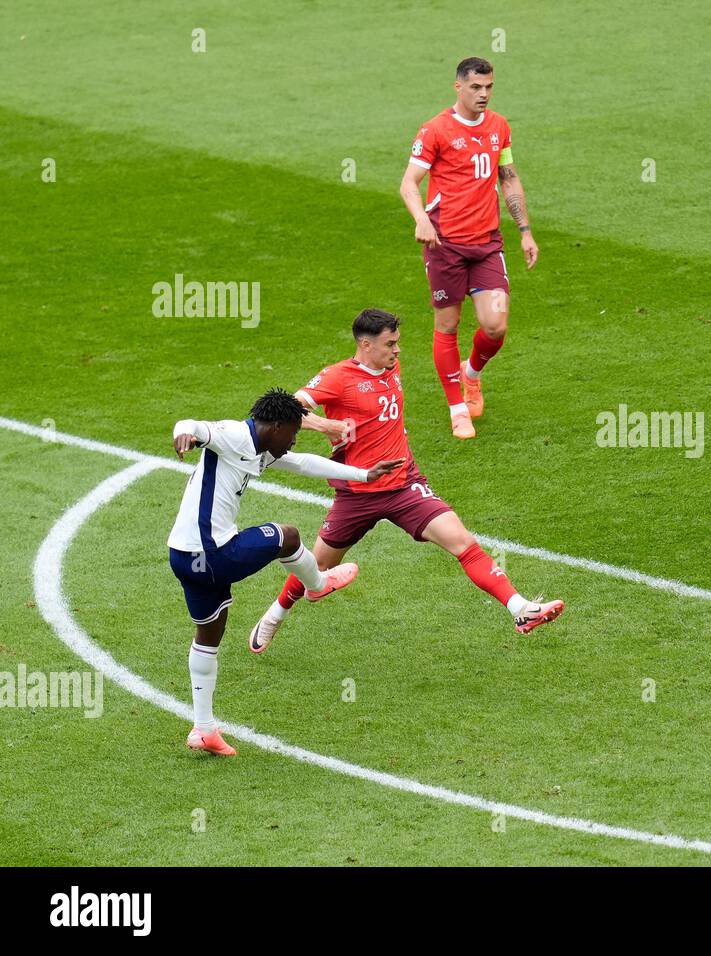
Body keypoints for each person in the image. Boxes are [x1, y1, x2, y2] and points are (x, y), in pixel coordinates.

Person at [247, 308, 565, 655]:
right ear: (365, 345)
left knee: (463, 542)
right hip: (357, 493)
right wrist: (328, 426)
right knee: (319, 566)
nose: (397, 351)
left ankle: (520, 609)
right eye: (390, 344)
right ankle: (274, 616)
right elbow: (284, 411)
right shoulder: (338, 377)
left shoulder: (390, 367)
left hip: (404, 485)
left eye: (397, 343)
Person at [169, 388, 403, 755]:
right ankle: (318, 584)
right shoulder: (233, 435)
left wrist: (364, 474)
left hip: (183, 557)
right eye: (293, 431)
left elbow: (304, 463)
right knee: (287, 536)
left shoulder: (264, 446)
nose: (294, 439)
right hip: (212, 553)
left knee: (208, 635)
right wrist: (183, 433)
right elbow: (194, 425)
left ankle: (203, 729)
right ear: (275, 425)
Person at [399, 56, 539, 440]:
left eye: (489, 86)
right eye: (476, 87)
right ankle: (457, 408)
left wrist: (525, 230)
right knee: (448, 325)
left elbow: (508, 179)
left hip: (487, 244)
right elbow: (409, 183)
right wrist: (421, 219)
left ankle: (471, 374)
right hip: (445, 244)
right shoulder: (435, 130)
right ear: (458, 87)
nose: (484, 94)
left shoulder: (499, 127)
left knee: (496, 326)